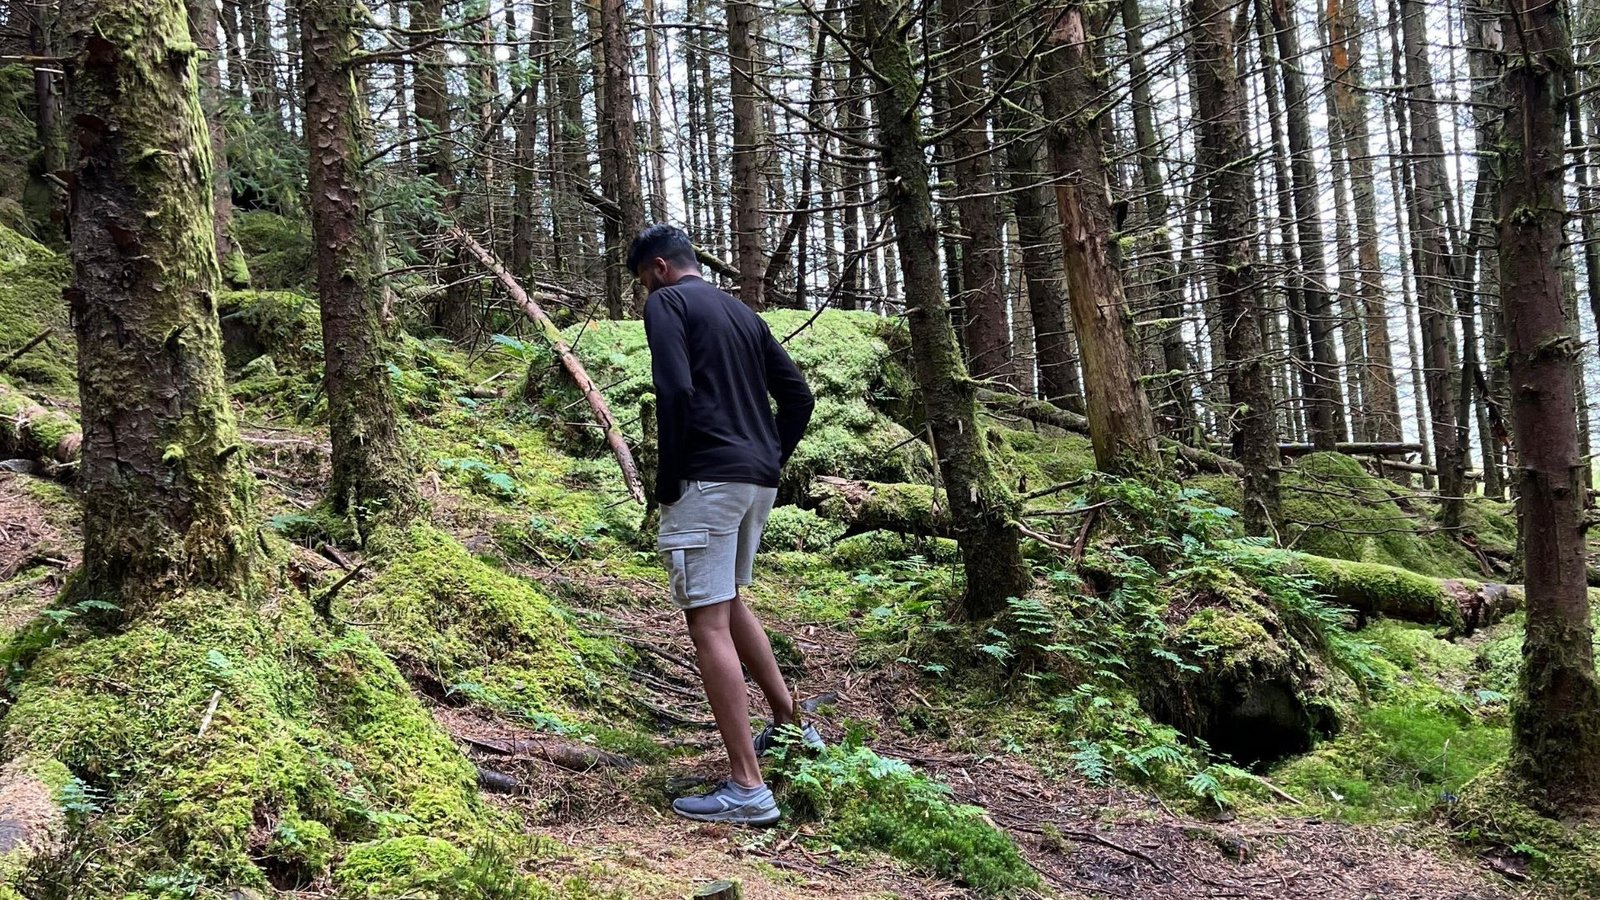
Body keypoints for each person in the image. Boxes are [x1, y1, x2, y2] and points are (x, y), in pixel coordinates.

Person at [631, 224, 822, 826]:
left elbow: (675, 389)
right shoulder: (742, 312)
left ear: (659, 268)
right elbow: (799, 397)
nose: (643, 290)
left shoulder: (666, 302)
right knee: (730, 602)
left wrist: (668, 477)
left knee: (706, 620)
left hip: (706, 479)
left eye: (642, 279)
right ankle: (792, 726)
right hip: (754, 480)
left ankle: (746, 785)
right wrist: (767, 455)